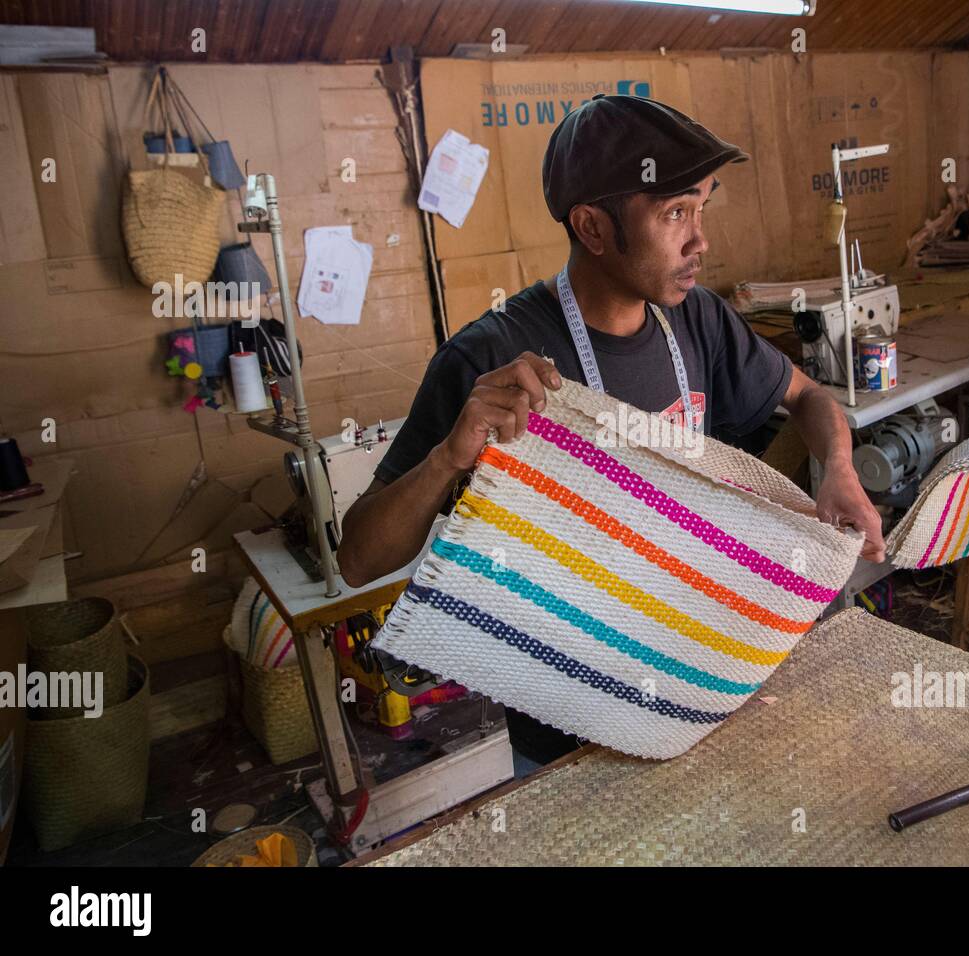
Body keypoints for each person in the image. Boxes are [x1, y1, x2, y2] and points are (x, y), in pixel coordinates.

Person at [339, 94, 884, 769]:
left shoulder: (699, 320)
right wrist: (448, 459)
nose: (700, 241)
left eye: (702, 209)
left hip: (701, 687)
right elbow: (357, 559)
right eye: (675, 213)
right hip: (569, 734)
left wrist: (839, 470)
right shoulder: (491, 358)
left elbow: (810, 397)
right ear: (592, 228)